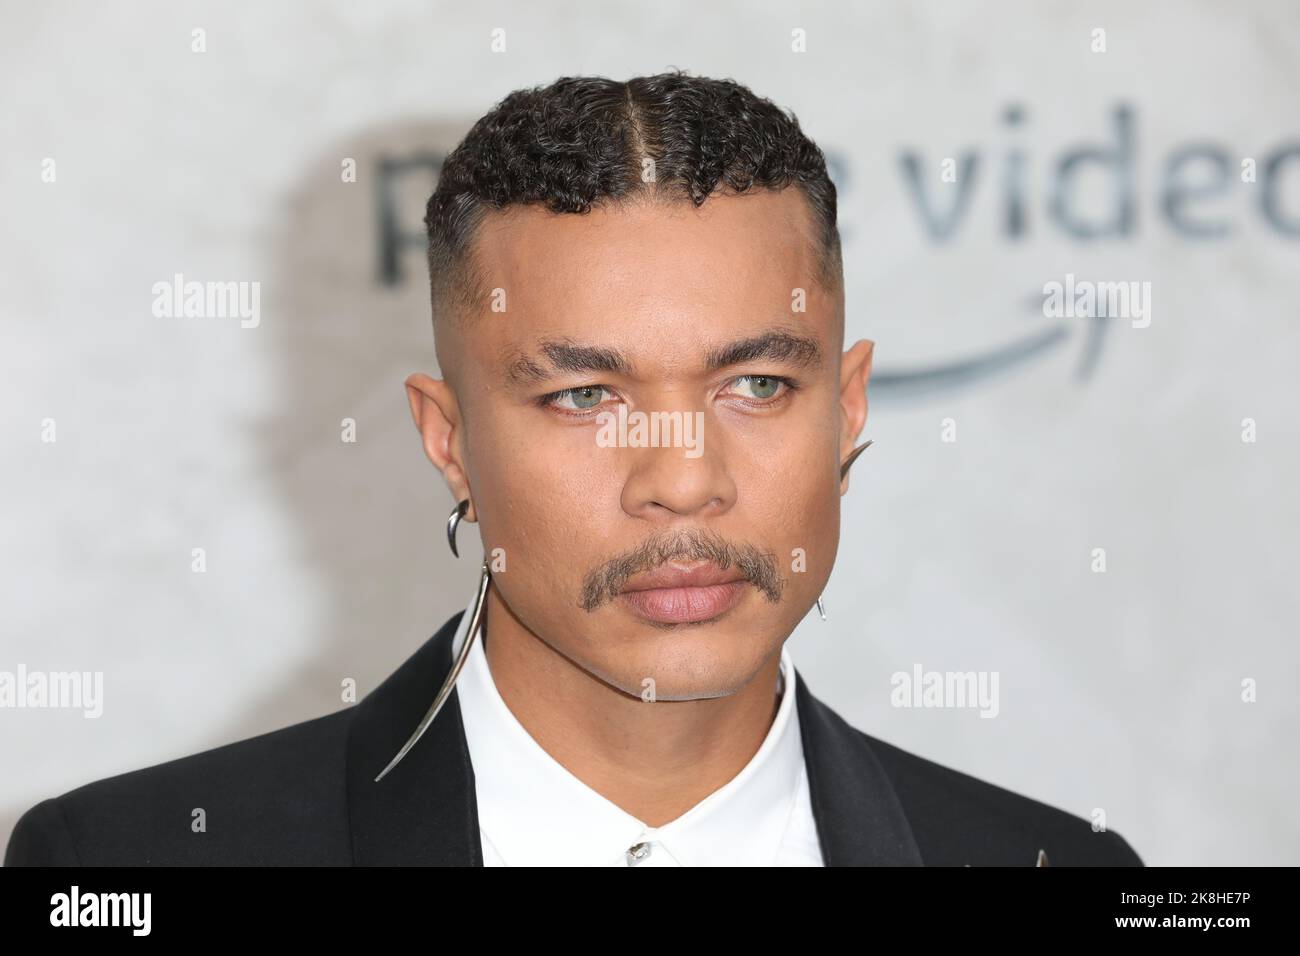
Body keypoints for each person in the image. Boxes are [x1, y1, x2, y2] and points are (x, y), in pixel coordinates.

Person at [5, 72, 1142, 867]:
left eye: (754, 384)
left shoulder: (1053, 864)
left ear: (846, 411)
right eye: (585, 397)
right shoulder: (132, 863)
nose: (683, 481)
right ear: (447, 440)